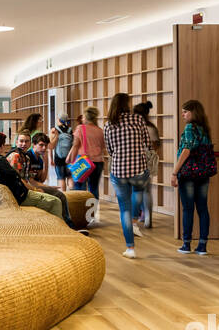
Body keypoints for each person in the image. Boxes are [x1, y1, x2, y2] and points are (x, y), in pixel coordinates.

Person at [0, 132, 83, 230]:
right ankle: (64, 230)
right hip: (19, 194)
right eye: (21, 141)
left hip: (20, 190)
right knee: (55, 200)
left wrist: (46, 162)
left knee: (58, 196)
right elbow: (18, 178)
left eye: (26, 141)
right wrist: (36, 189)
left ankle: (64, 227)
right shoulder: (13, 157)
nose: (24, 144)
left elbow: (36, 178)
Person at [103, 93, 152, 259]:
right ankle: (135, 219)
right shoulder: (137, 119)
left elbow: (109, 149)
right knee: (138, 191)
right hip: (138, 167)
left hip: (118, 170)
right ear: (127, 104)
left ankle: (130, 248)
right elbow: (147, 142)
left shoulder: (108, 124)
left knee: (124, 208)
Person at [171, 99, 214, 256]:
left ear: (193, 112)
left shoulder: (190, 128)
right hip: (203, 173)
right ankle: (202, 245)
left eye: (186, 111)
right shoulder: (204, 129)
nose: (183, 114)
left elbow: (186, 150)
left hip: (188, 173)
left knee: (188, 208)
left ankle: (186, 244)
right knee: (203, 208)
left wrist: (175, 172)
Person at [24, 131, 73, 223]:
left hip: (37, 186)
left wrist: (46, 162)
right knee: (58, 196)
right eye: (41, 145)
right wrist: (48, 187)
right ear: (33, 145)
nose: (44, 148)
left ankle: (66, 222)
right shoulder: (28, 157)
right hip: (29, 187)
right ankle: (66, 223)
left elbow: (42, 179)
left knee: (60, 195)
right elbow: (30, 181)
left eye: (46, 146)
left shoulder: (40, 159)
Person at [66, 108, 106, 201]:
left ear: (86, 117)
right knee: (94, 188)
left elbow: (75, 145)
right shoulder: (100, 130)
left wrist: (71, 161)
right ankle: (92, 213)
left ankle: (81, 212)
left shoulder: (80, 128)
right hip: (98, 163)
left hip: (83, 161)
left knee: (80, 188)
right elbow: (103, 147)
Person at [133, 101, 162, 228]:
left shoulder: (133, 127)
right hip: (149, 161)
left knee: (135, 190)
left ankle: (138, 215)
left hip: (134, 161)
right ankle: (148, 218)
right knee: (147, 191)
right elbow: (156, 146)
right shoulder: (152, 128)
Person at [51, 115, 74, 190]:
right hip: (69, 158)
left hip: (58, 158)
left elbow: (50, 146)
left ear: (58, 119)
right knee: (70, 177)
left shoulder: (54, 130)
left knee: (61, 178)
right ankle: (72, 193)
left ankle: (65, 196)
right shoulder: (70, 130)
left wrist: (51, 159)